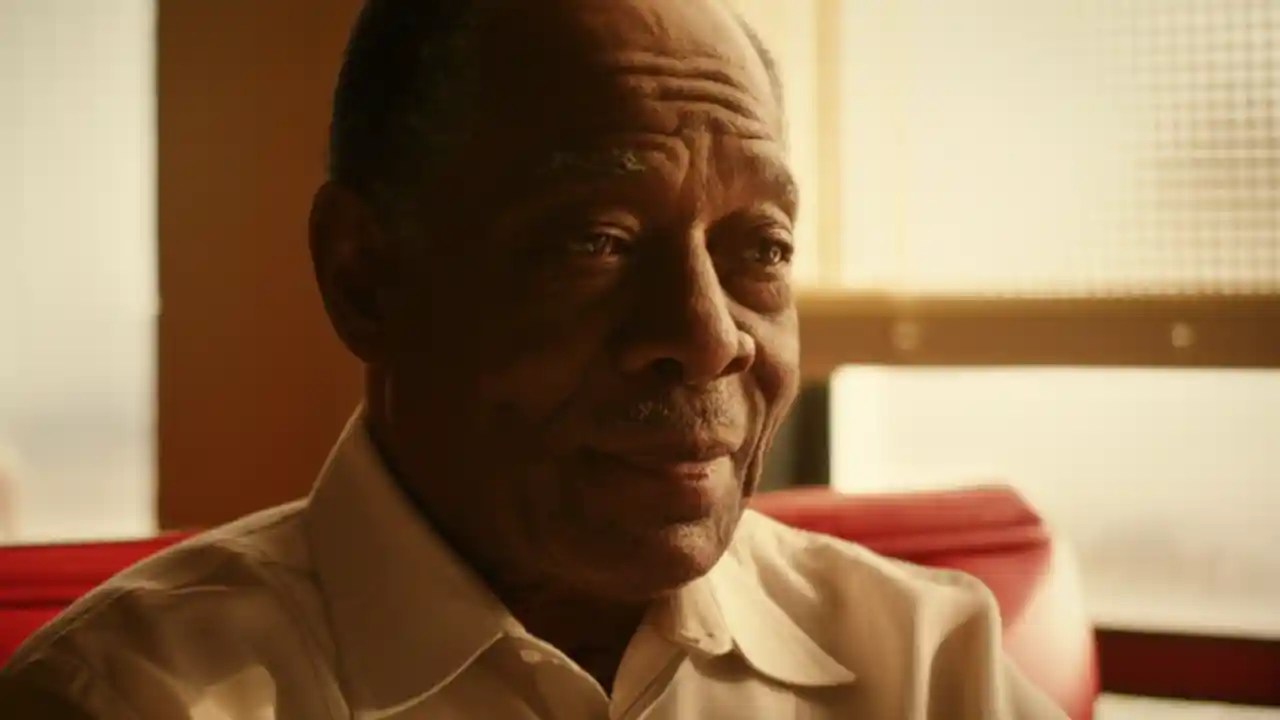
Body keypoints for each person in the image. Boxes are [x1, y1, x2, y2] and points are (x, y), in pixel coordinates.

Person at [1, 0, 1067, 717]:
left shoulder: (929, 667)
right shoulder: (129, 695)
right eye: (593, 241)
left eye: (759, 251)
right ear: (366, 278)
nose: (705, 336)